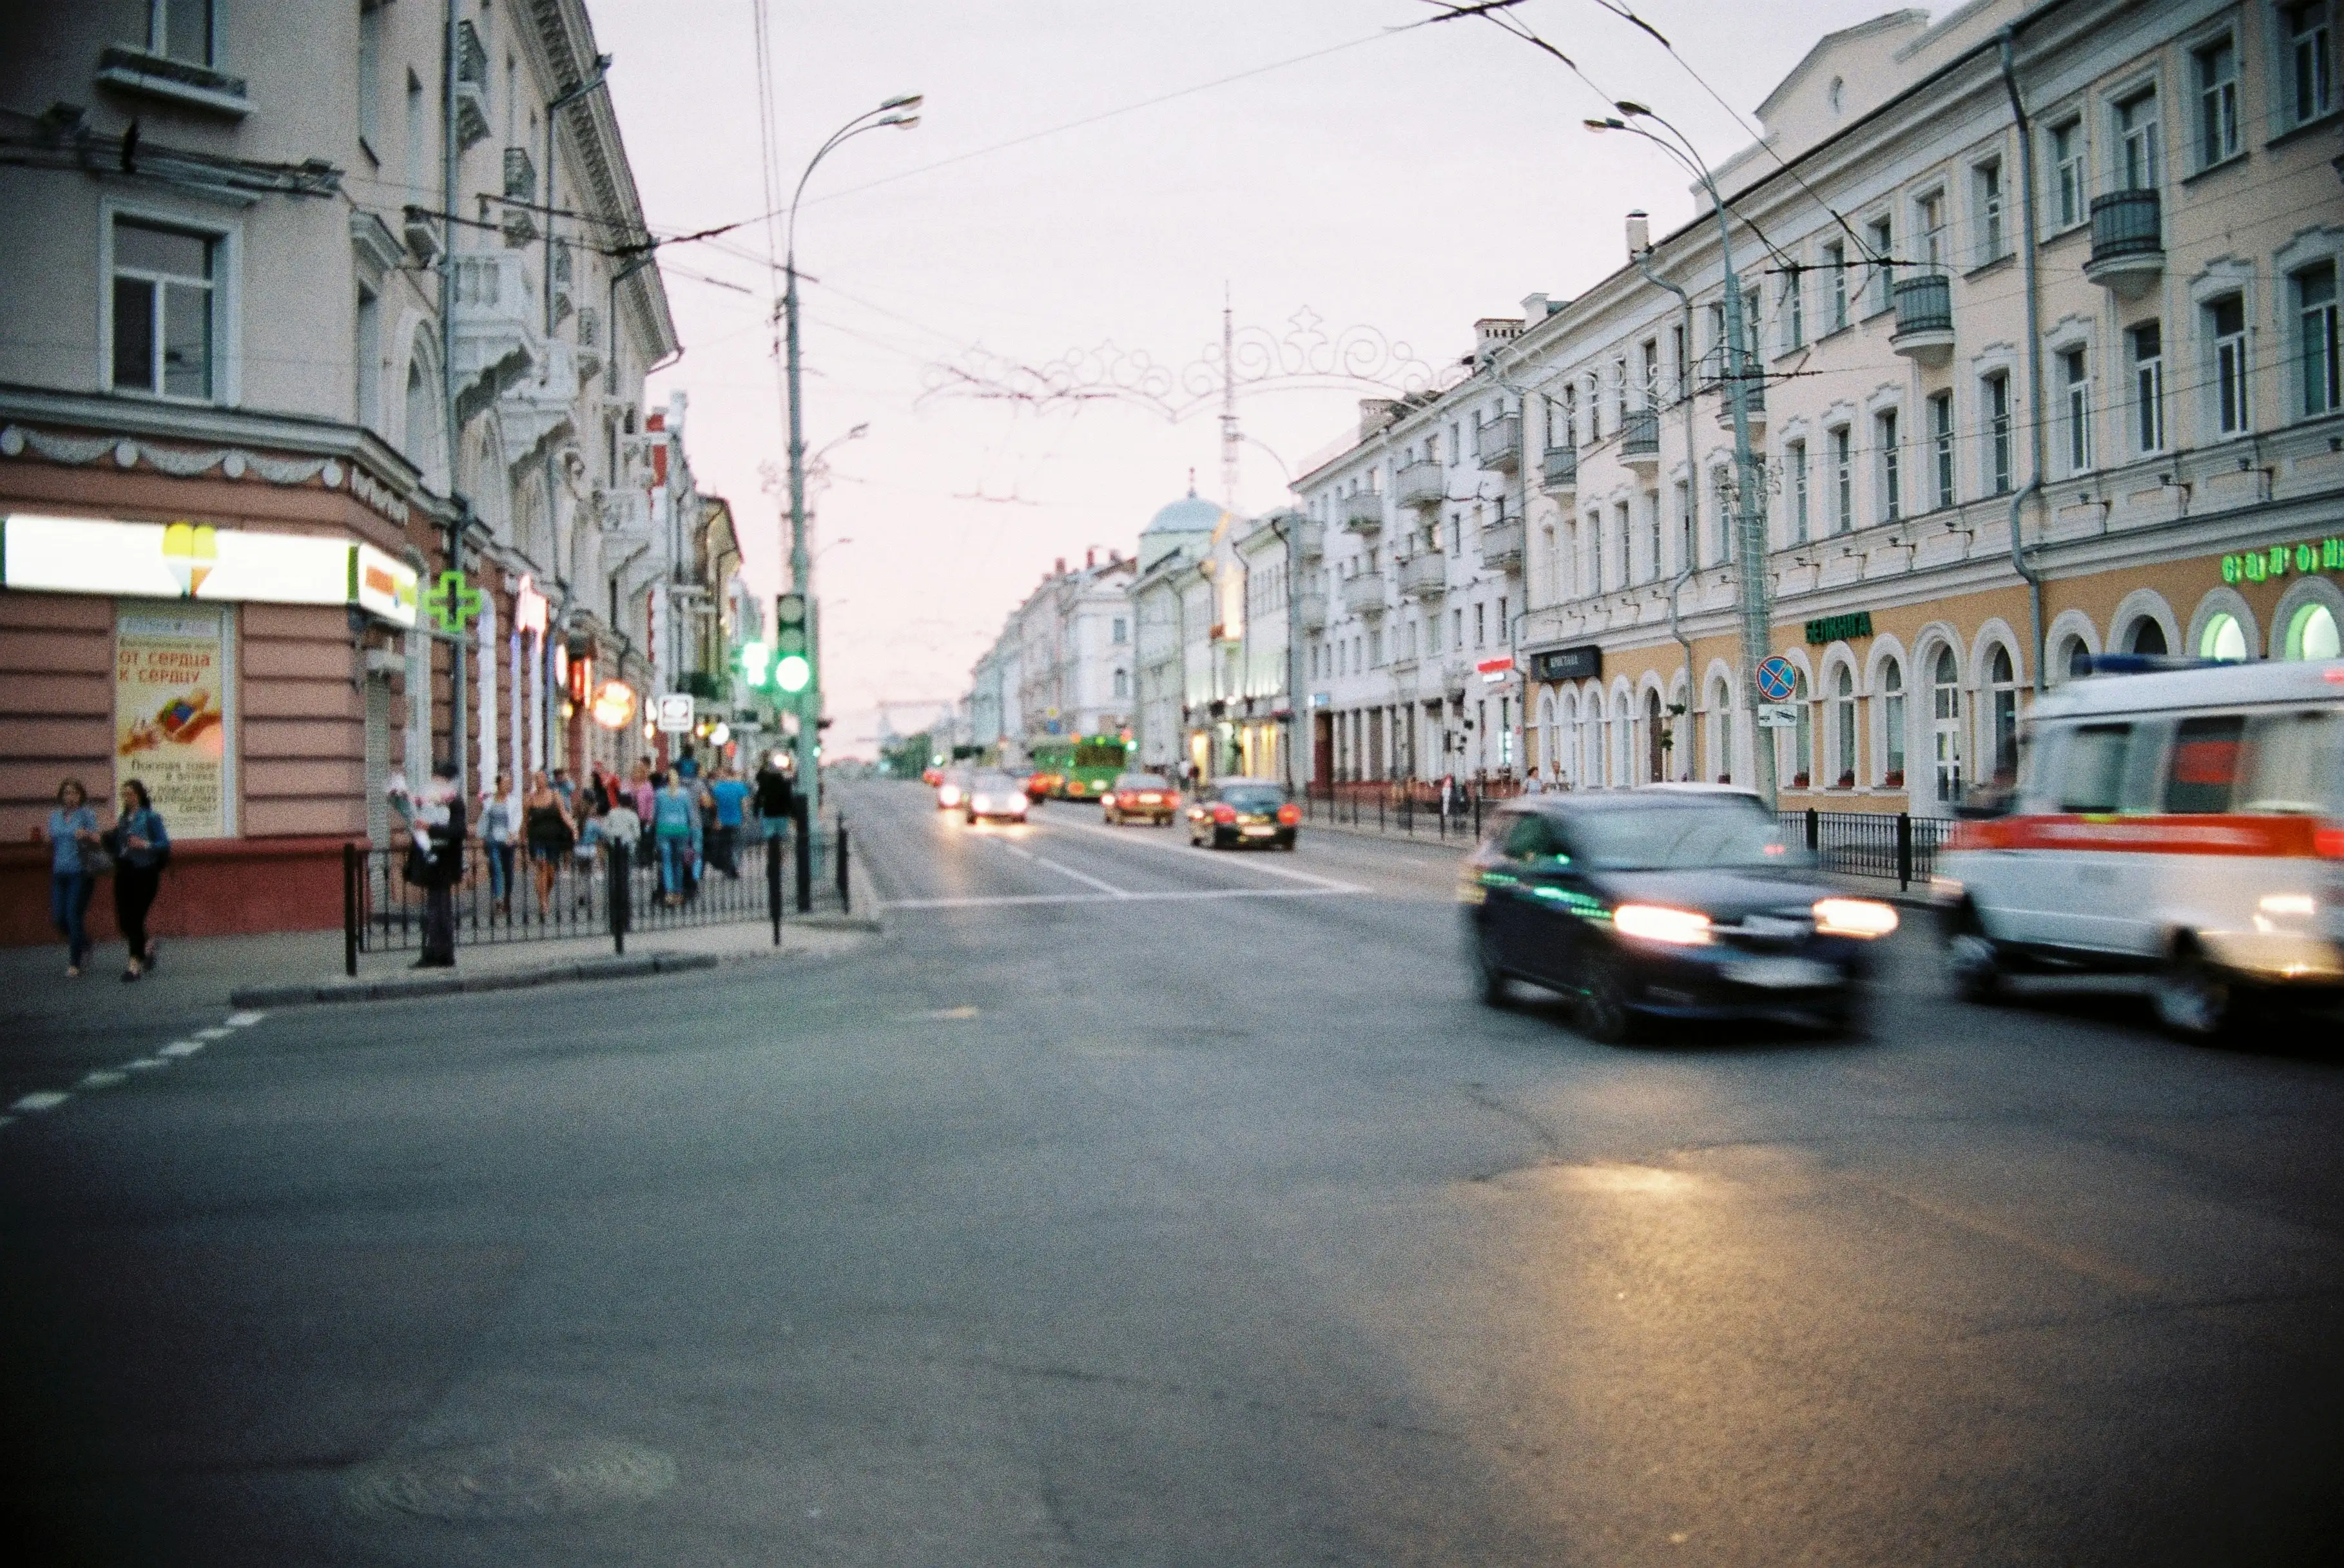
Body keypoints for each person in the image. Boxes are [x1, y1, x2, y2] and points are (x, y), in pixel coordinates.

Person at [110, 779, 171, 981]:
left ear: (140, 795)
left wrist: (144, 844)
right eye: (124, 794)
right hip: (125, 872)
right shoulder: (124, 819)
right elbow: (120, 843)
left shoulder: (150, 817)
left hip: (146, 873)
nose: (128, 798)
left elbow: (164, 844)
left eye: (131, 794)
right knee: (125, 921)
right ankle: (147, 946)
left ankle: (134, 964)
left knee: (135, 918)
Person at [41, 779, 104, 976]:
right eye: (67, 793)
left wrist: (85, 834)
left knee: (73, 916)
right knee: (59, 918)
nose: (71, 797)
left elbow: (98, 840)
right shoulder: (55, 817)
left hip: (81, 873)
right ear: (61, 796)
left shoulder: (86, 815)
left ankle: (75, 963)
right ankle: (84, 942)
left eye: (75, 793)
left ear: (81, 796)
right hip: (60, 873)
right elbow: (51, 842)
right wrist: (46, 841)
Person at [414, 762, 466, 967]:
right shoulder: (433, 801)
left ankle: (439, 954)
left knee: (439, 909)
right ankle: (439, 953)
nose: (433, 781)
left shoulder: (454, 801)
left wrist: (431, 828)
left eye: (437, 777)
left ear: (445, 781)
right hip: (433, 861)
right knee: (436, 908)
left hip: (445, 862)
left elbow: (458, 831)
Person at [521, 769, 576, 920]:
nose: (539, 782)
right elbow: (525, 822)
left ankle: (544, 892)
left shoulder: (555, 795)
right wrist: (523, 840)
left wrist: (574, 829)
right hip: (536, 838)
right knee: (542, 866)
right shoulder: (530, 799)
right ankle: (543, 902)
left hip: (553, 838)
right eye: (536, 779)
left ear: (546, 780)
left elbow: (564, 814)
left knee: (551, 872)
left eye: (541, 779)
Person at [650, 769, 701, 905]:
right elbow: (690, 814)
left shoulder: (659, 794)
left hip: (664, 829)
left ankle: (669, 893)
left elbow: (654, 815)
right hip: (681, 829)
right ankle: (679, 892)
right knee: (678, 862)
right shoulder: (684, 794)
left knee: (666, 861)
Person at [480, 771, 519, 917]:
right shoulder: (490, 802)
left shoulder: (513, 801)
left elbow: (516, 819)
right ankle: (498, 900)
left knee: (508, 870)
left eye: (509, 783)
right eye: (505, 783)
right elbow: (485, 820)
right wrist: (483, 837)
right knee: (496, 869)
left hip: (508, 841)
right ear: (498, 785)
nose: (508, 786)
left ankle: (508, 896)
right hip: (493, 841)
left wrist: (512, 834)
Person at [707, 764, 750, 878]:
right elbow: (745, 804)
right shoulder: (740, 787)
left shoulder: (717, 788)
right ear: (733, 775)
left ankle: (727, 868)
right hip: (737, 820)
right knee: (736, 845)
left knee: (725, 846)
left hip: (721, 821)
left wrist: (716, 819)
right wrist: (744, 816)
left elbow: (713, 805)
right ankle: (734, 867)